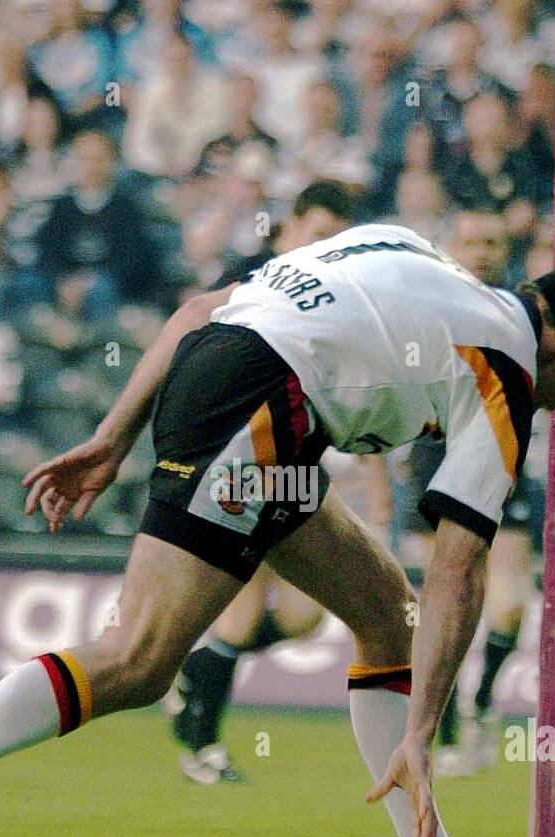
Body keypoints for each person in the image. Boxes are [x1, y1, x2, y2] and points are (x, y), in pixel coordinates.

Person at [0, 222, 555, 837]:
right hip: (260, 410)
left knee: (390, 614)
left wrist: (113, 436)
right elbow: (461, 564)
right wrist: (421, 734)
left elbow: (196, 311)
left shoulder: (402, 247)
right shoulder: (509, 371)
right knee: (140, 659)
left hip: (243, 389)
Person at [167, 179, 355, 784]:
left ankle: (192, 668)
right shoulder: (250, 283)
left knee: (305, 617)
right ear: (288, 229)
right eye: (318, 235)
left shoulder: (336, 298)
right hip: (239, 457)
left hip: (298, 464)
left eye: (337, 240)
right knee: (243, 611)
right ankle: (202, 747)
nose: (326, 249)